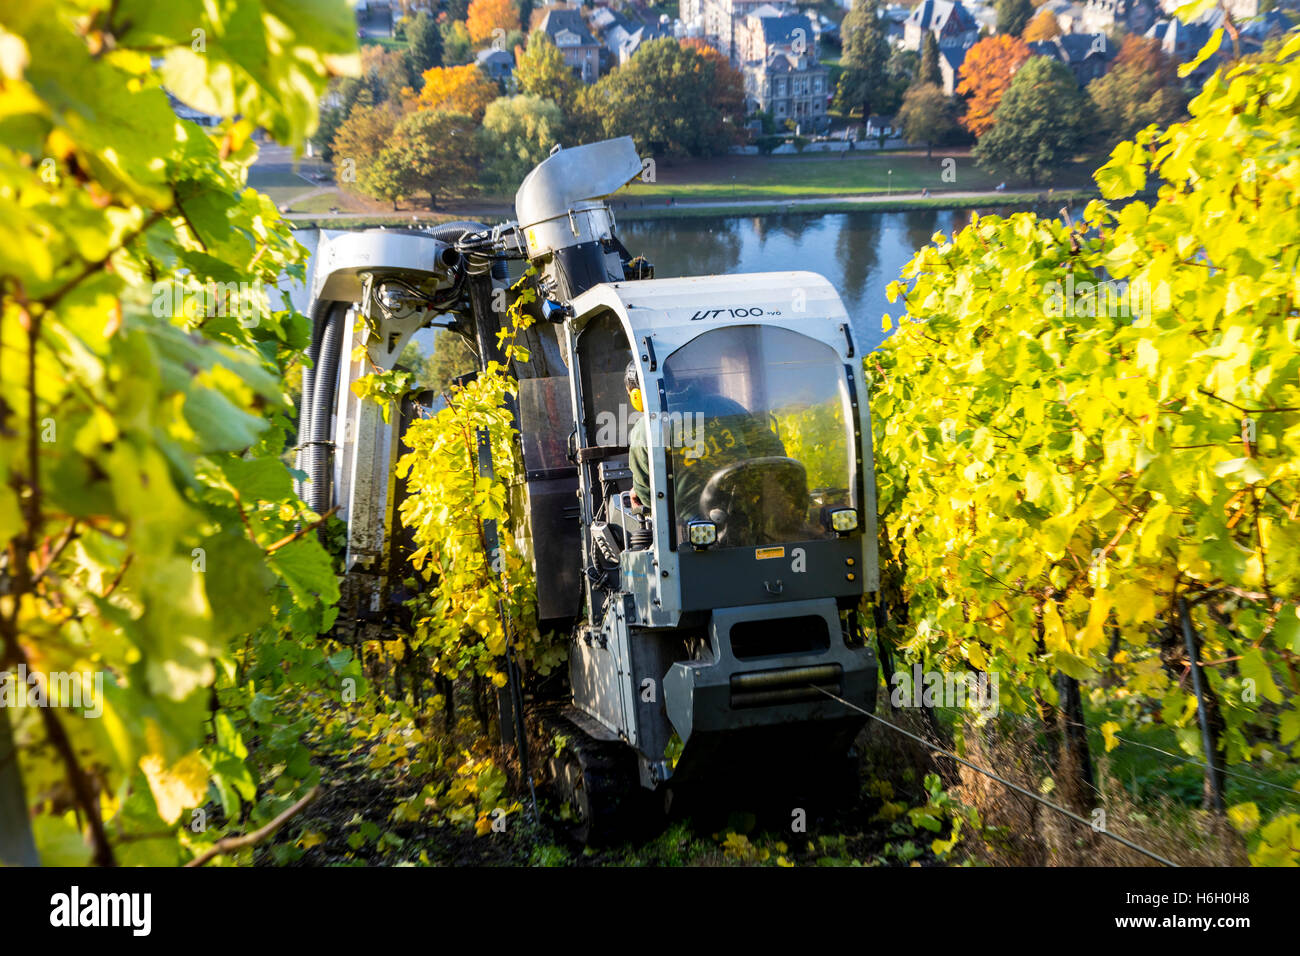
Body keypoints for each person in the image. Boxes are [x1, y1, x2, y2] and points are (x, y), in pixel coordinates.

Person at [625, 360, 785, 521]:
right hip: (752, 515)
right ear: (674, 382)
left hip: (697, 533)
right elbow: (774, 450)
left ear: (636, 396)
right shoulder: (725, 406)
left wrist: (637, 492)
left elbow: (648, 494)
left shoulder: (644, 430)